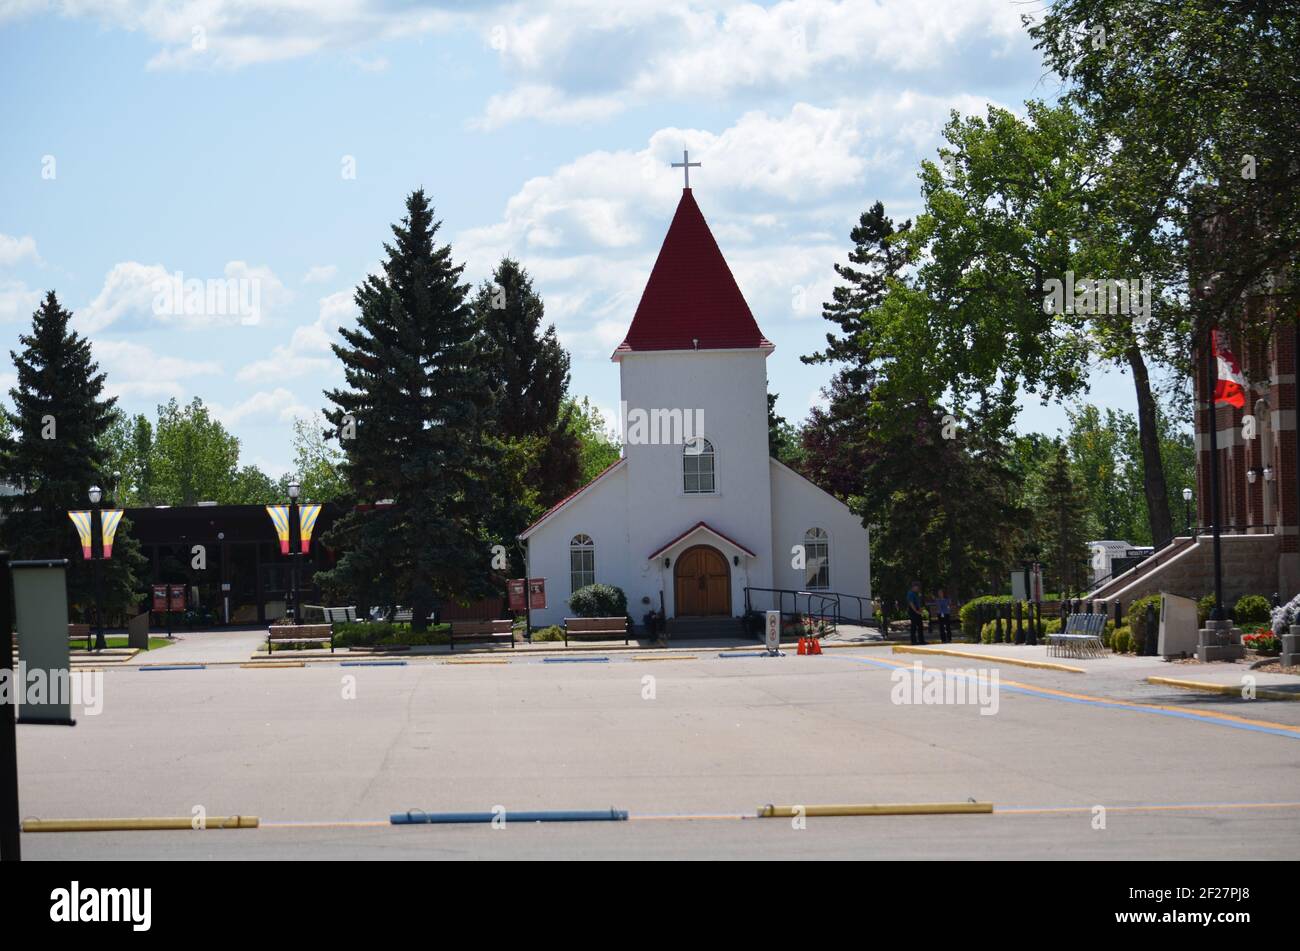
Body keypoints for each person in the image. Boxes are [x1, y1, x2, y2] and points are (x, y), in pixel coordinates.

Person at [906, 581, 927, 645]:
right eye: (917, 587)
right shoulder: (910, 593)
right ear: (914, 587)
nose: (918, 589)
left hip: (917, 609)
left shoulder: (916, 593)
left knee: (920, 626)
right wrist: (916, 611)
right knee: (914, 626)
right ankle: (913, 641)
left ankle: (921, 640)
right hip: (913, 610)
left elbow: (918, 602)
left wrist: (920, 609)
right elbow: (911, 603)